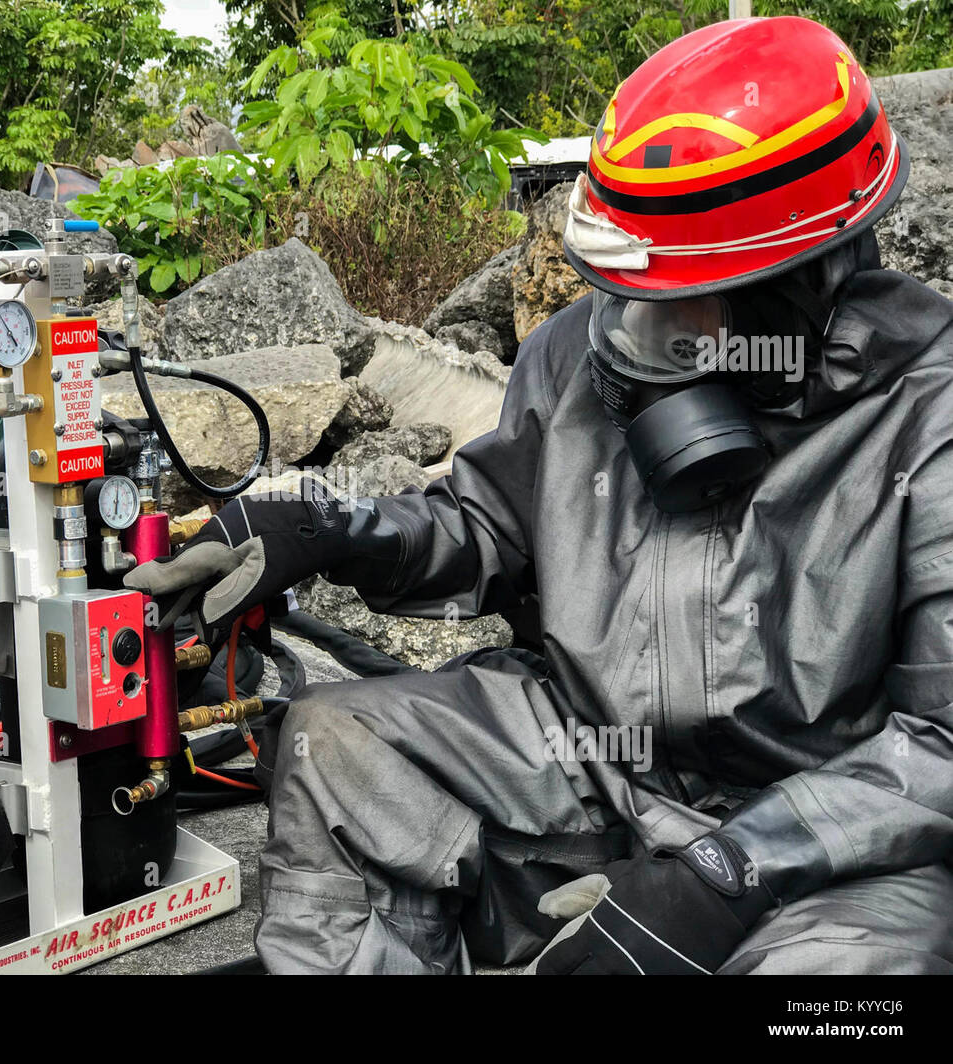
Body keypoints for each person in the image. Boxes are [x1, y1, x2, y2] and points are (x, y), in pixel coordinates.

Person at [126, 16, 953, 974]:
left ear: (804, 283)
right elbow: (485, 521)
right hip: (601, 762)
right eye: (629, 294)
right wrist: (334, 528)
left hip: (836, 836)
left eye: (684, 299)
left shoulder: (929, 416)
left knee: (846, 988)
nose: (640, 337)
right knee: (336, 743)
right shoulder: (586, 354)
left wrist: (727, 872)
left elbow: (937, 749)